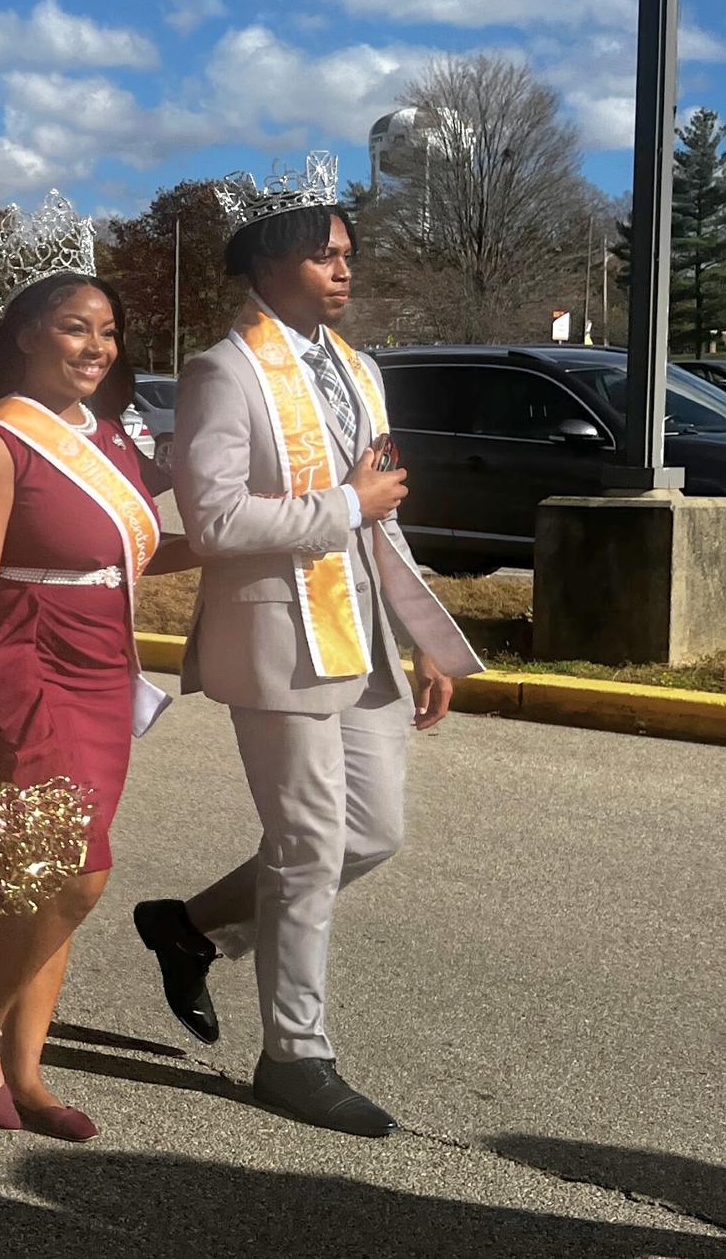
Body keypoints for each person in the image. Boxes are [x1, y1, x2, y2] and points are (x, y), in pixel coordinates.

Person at [131, 163, 480, 1138]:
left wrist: (422, 639)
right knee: (311, 844)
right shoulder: (221, 373)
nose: (343, 272)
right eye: (326, 256)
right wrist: (344, 507)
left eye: (347, 257)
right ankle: (296, 1053)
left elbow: (385, 515)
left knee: (371, 836)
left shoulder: (360, 371)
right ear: (270, 262)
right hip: (278, 637)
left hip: (361, 635)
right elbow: (212, 518)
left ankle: (190, 928)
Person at [0, 236, 206, 1139]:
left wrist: (269, 531)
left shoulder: (113, 437)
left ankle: (26, 1071)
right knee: (78, 873)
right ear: (27, 337)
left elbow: (135, 549)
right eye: (75, 328)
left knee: (53, 877)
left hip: (105, 658)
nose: (96, 346)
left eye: (109, 332)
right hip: (29, 654)